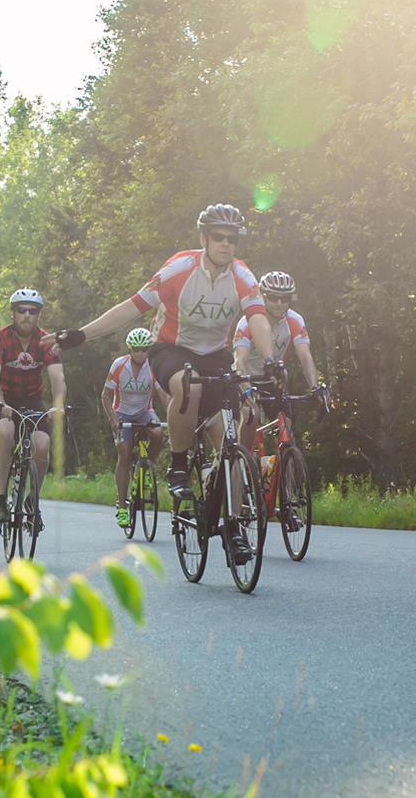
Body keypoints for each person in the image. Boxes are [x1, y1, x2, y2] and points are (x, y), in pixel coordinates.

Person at [52, 204, 276, 565]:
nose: (225, 244)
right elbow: (132, 307)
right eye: (218, 237)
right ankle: (177, 463)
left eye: (232, 239)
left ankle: (232, 526)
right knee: (190, 385)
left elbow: (259, 320)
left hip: (214, 354)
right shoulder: (179, 269)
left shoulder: (243, 276)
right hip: (170, 348)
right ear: (204, 239)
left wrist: (269, 361)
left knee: (231, 439)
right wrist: (81, 335)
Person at [0, 288, 66, 533]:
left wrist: (57, 406)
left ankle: (32, 501)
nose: (27, 315)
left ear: (38, 315)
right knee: (5, 433)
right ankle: (0, 501)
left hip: (33, 400)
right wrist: (0, 403)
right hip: (5, 399)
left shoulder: (46, 342)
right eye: (22, 310)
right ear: (13, 313)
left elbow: (58, 377)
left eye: (33, 311)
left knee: (42, 445)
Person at [233, 270, 322, 448]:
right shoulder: (247, 323)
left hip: (272, 378)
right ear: (262, 297)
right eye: (273, 297)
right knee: (252, 415)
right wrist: (246, 388)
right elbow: (239, 361)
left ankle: (285, 468)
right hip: (246, 377)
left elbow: (305, 356)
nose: (279, 303)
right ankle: (241, 461)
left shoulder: (295, 321)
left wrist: (315, 386)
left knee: (286, 428)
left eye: (285, 298)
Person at [104, 327, 168, 528]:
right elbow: (105, 395)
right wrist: (113, 420)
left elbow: (164, 396)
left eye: (144, 349)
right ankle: (122, 507)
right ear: (130, 349)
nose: (140, 353)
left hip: (144, 411)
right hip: (121, 412)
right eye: (136, 349)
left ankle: (146, 468)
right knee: (124, 455)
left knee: (158, 432)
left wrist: (173, 418)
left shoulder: (154, 366)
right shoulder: (119, 365)